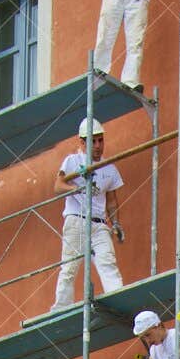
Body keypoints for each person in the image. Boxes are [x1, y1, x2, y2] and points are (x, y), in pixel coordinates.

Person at [50, 119, 124, 311]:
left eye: (101, 141)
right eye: (93, 141)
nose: (98, 146)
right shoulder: (74, 161)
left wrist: (116, 223)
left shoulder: (109, 168)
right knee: (70, 267)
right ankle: (61, 308)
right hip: (77, 219)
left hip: (99, 224)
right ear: (82, 142)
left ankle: (118, 297)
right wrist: (79, 189)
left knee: (107, 261)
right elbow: (58, 186)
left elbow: (112, 201)